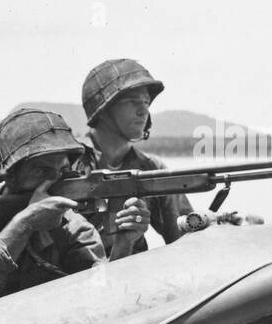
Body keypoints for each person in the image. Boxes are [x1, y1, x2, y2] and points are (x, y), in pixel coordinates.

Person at [0, 107, 106, 317]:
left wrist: (125, 245)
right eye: (41, 170)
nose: (53, 181)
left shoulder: (74, 228)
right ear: (10, 175)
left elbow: (100, 298)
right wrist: (24, 225)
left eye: (62, 170)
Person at [76, 58, 192, 256]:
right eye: (132, 102)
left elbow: (184, 236)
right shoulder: (69, 164)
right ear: (103, 110)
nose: (143, 111)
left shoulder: (151, 168)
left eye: (146, 102)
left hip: (130, 279)